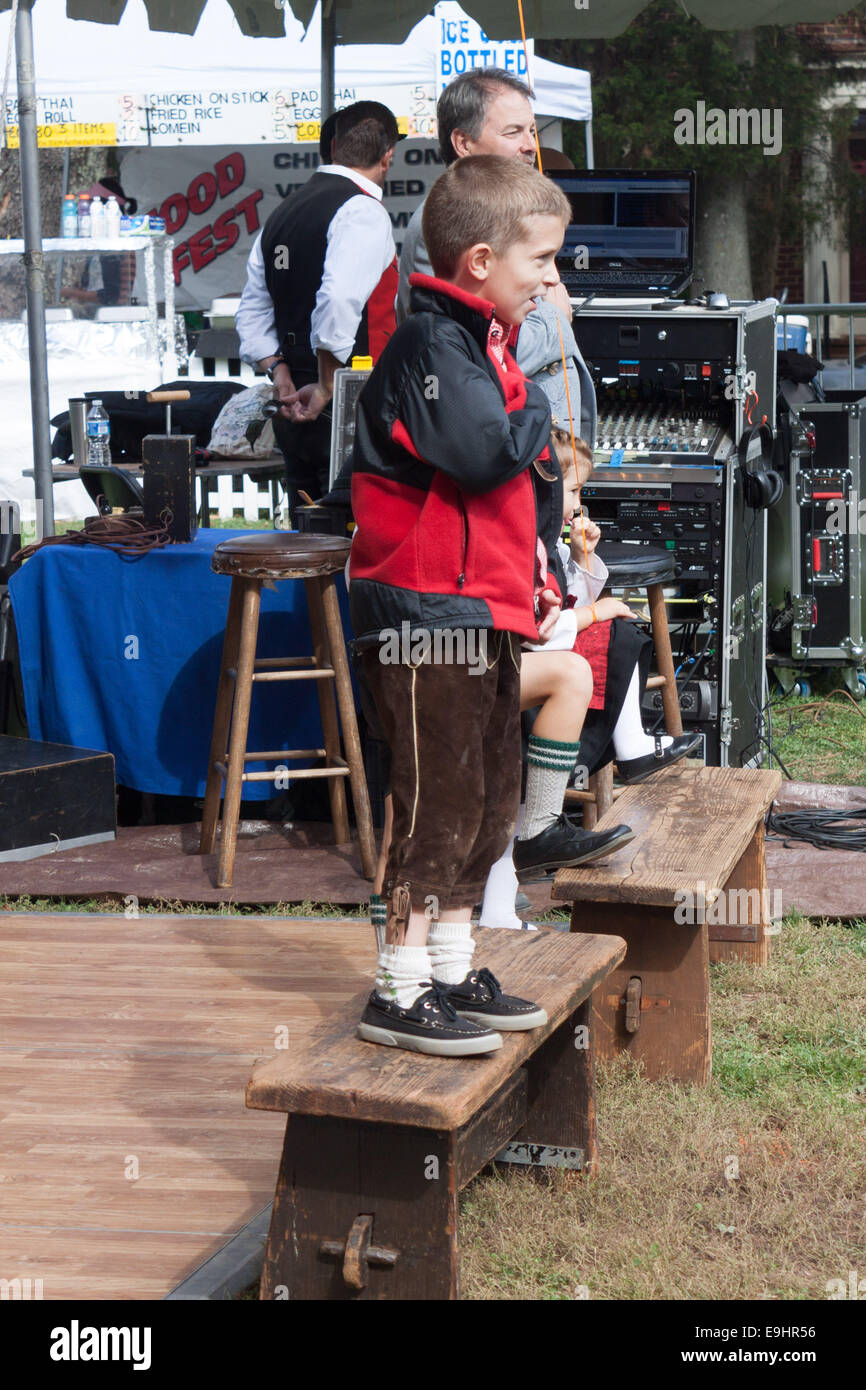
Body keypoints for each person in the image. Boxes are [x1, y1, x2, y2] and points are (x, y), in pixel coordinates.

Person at [348, 155, 630, 1057]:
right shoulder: (433, 343)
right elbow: (480, 450)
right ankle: (396, 989)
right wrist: (540, 408)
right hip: (428, 616)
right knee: (439, 803)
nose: (553, 279)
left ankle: (453, 964)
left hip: (483, 614)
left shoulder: (484, 341)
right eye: (540, 260)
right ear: (479, 262)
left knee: (488, 797)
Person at [479, 430, 702, 930]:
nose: (579, 504)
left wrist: (582, 560)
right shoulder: (517, 541)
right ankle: (627, 753)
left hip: (524, 668)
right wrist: (593, 612)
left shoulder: (545, 542)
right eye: (573, 491)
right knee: (609, 638)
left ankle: (631, 750)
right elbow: (544, 630)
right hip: (496, 670)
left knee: (615, 631)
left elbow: (567, 601)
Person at [397, 68, 596, 448]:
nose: (530, 146)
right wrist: (557, 320)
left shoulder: (505, 212)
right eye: (513, 132)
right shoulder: (440, 222)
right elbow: (476, 343)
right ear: (463, 142)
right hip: (504, 442)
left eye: (532, 131)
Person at [235, 101, 401, 524]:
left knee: (306, 533)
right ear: (388, 156)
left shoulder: (281, 214)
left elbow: (253, 309)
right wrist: (328, 384)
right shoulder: (362, 210)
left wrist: (280, 372)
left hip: (294, 399)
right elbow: (338, 301)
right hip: (351, 401)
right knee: (352, 534)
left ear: (331, 147)